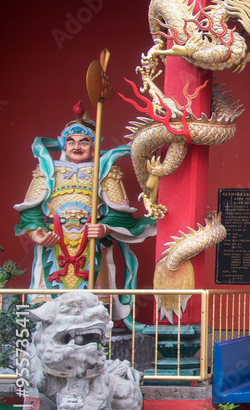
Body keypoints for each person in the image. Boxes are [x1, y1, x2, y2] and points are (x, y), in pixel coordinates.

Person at [15, 108, 156, 318]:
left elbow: (121, 215)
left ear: (94, 146)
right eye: (71, 141)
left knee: (94, 305)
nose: (77, 146)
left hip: (91, 243)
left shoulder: (106, 170)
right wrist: (36, 234)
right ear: (63, 144)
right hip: (55, 243)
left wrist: (104, 228)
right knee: (48, 305)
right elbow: (30, 212)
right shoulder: (46, 171)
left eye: (84, 141)